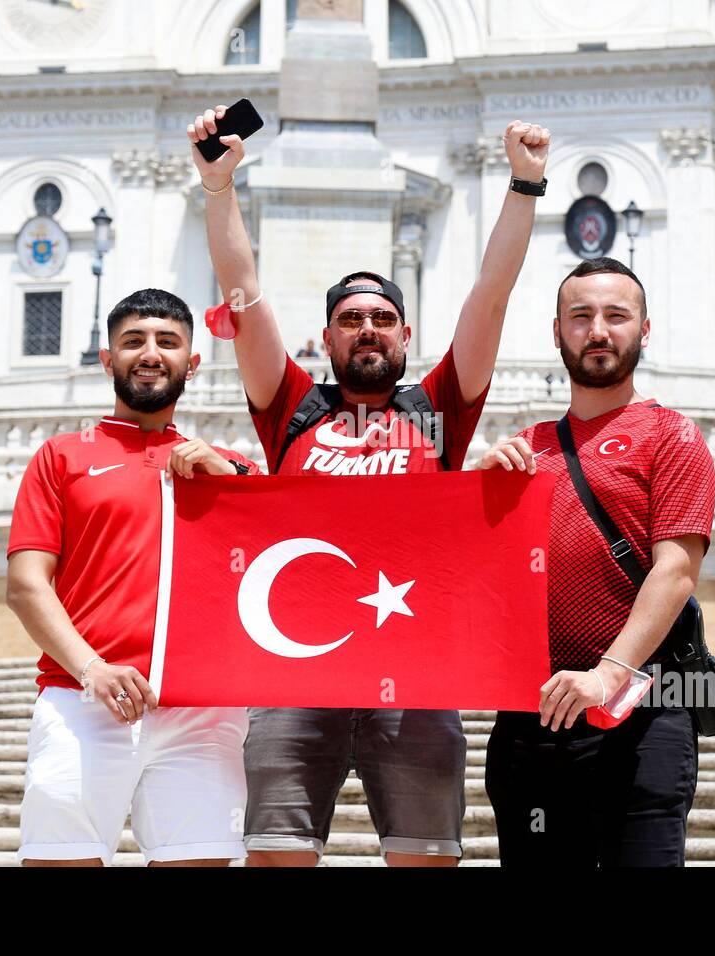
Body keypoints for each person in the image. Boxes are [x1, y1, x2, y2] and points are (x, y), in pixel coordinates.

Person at [185, 104, 550, 867]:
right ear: (327, 340)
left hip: (415, 680)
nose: (368, 330)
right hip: (294, 678)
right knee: (276, 858)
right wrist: (219, 188)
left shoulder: (439, 411)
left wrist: (523, 184)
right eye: (351, 320)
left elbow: (489, 295)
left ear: (406, 338)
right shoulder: (289, 408)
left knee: (426, 860)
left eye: (383, 318)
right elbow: (242, 287)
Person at [6, 288, 262, 867]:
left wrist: (228, 488)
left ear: (192, 362)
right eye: (134, 341)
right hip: (81, 697)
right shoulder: (61, 456)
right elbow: (26, 585)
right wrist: (91, 669)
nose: (151, 353)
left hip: (203, 710)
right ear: (107, 359)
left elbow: (274, 576)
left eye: (168, 342)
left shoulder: (233, 468)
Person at [479, 256, 715, 867]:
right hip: (535, 716)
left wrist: (607, 676)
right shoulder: (524, 449)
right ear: (556, 332)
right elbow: (469, 576)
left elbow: (675, 570)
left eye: (617, 315)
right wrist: (474, 493)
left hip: (643, 709)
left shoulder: (673, 436)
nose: (599, 330)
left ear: (644, 328)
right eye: (580, 316)